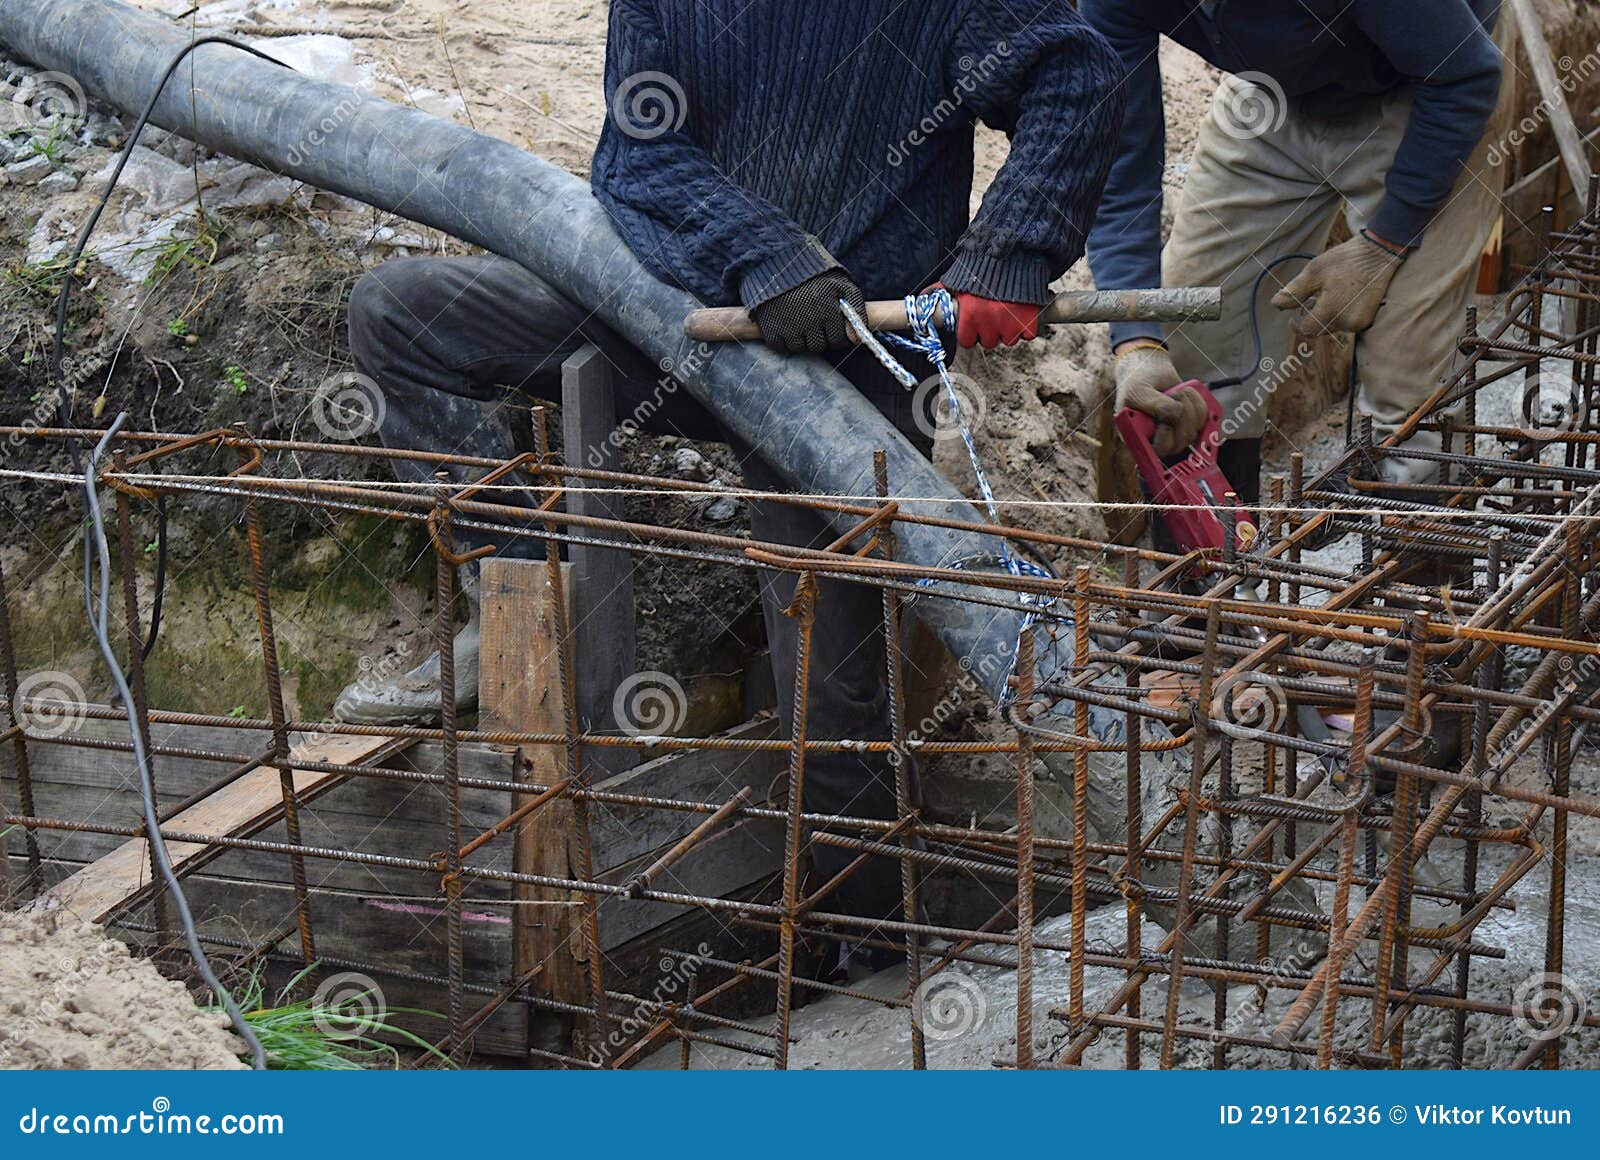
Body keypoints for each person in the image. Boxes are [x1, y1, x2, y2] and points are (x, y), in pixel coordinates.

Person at [334, 0, 1126, 943]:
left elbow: (1075, 77)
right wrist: (769, 258)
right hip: (683, 317)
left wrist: (1011, 248)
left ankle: (861, 947)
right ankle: (509, 574)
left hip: (852, 365)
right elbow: (641, 161)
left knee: (829, 694)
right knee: (401, 314)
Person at [1083, 0, 1515, 509]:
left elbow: (1464, 74)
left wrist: (1385, 244)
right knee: (1192, 333)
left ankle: (1423, 569)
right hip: (1272, 93)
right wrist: (1135, 341)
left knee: (1412, 383)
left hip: (1430, 85)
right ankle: (1213, 563)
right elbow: (1118, 156)